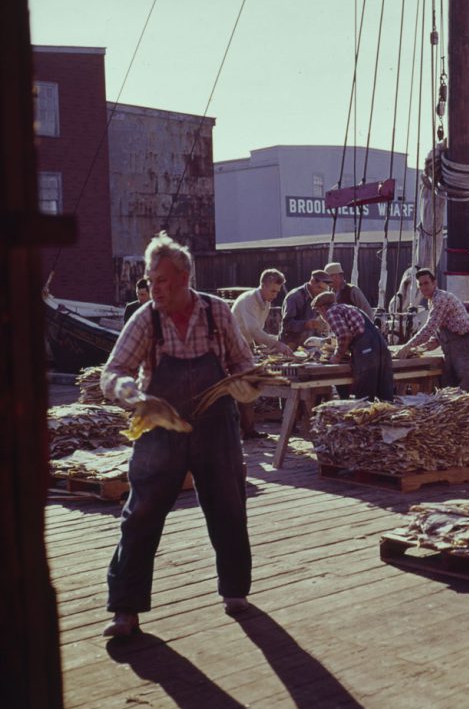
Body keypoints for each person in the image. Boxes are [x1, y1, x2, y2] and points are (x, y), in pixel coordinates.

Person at [100, 232, 261, 638]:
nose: (153, 289)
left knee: (228, 505)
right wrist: (135, 396)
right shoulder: (146, 318)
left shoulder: (217, 313)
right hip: (160, 427)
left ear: (185, 276)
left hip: (215, 427)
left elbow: (245, 364)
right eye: (150, 280)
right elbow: (111, 373)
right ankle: (125, 609)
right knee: (142, 514)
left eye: (161, 281)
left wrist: (247, 386)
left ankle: (235, 590)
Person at [394, 267, 469, 392]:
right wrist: (418, 349)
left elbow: (429, 328)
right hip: (451, 351)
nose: (424, 287)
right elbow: (437, 336)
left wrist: (406, 347)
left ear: (435, 283)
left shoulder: (440, 298)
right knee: (449, 391)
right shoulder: (432, 302)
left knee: (468, 394)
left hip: (465, 350)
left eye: (426, 283)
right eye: (421, 284)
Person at [231, 268, 293, 438]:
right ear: (262, 285)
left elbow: (257, 332)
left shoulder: (266, 303)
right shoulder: (249, 300)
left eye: (277, 291)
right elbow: (253, 329)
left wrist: (268, 347)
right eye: (272, 290)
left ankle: (248, 429)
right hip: (231, 347)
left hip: (246, 345)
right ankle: (243, 430)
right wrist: (276, 344)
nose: (275, 295)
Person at [311, 291, 394, 401]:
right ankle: (386, 416)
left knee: (365, 398)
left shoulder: (331, 312)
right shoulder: (349, 308)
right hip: (381, 347)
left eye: (318, 312)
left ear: (322, 309)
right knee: (385, 394)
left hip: (366, 352)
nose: (320, 316)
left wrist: (336, 357)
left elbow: (345, 336)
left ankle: (365, 417)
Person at [278, 269, 332, 350]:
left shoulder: (319, 297)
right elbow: (286, 324)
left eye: (324, 290)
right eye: (319, 288)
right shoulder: (294, 297)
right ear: (312, 282)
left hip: (308, 346)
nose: (321, 292)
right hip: (289, 346)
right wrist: (306, 324)